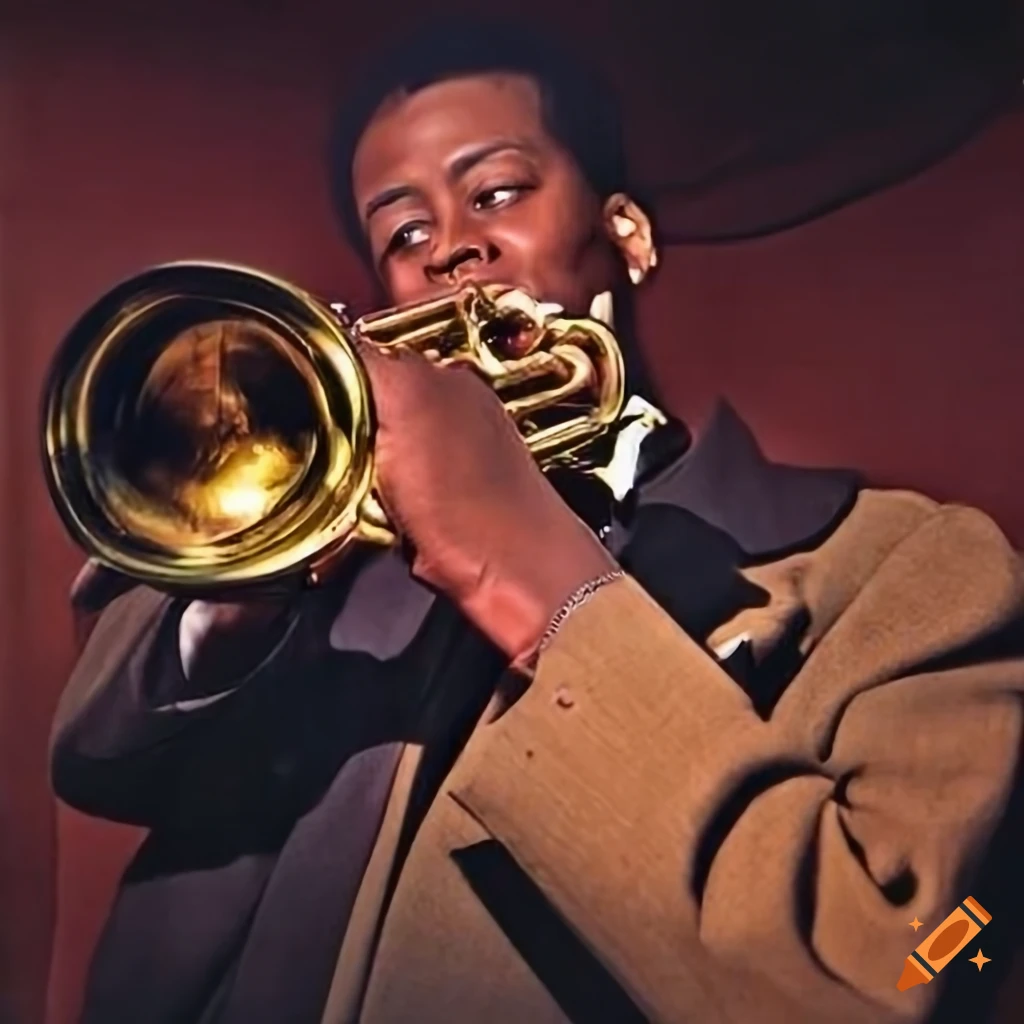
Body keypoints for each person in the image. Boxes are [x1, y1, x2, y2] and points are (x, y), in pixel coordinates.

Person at [52, 18, 1024, 1024]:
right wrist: (259, 553)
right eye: (405, 235)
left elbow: (914, 968)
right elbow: (98, 752)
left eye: (496, 193)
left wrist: (527, 569)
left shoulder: (902, 565)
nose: (452, 249)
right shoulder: (331, 556)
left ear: (627, 234)